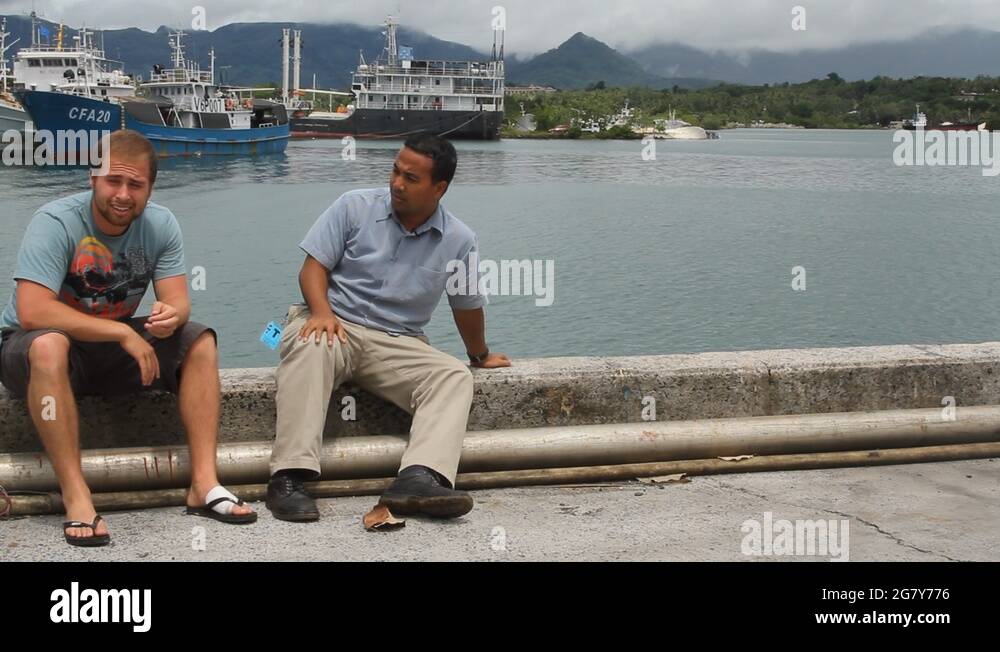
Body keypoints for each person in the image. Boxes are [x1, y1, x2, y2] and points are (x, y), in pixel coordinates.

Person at [0, 130, 256, 547]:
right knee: (50, 343)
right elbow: (33, 310)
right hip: (33, 348)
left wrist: (169, 318)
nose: (123, 194)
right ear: (93, 180)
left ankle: (204, 485)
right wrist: (122, 330)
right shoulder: (55, 221)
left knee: (199, 341)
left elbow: (178, 300)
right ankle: (77, 494)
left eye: (135, 185)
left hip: (110, 350)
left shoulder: (161, 224)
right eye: (112, 181)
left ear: (150, 188)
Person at [267, 132, 511, 522]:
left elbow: (465, 305)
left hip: (396, 340)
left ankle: (418, 478)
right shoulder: (353, 206)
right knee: (312, 346)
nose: (397, 183)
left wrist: (478, 355)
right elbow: (312, 268)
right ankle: (288, 478)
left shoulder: (460, 240)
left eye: (411, 178)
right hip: (333, 322)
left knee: (452, 376)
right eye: (396, 171)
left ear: (440, 188)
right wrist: (321, 311)